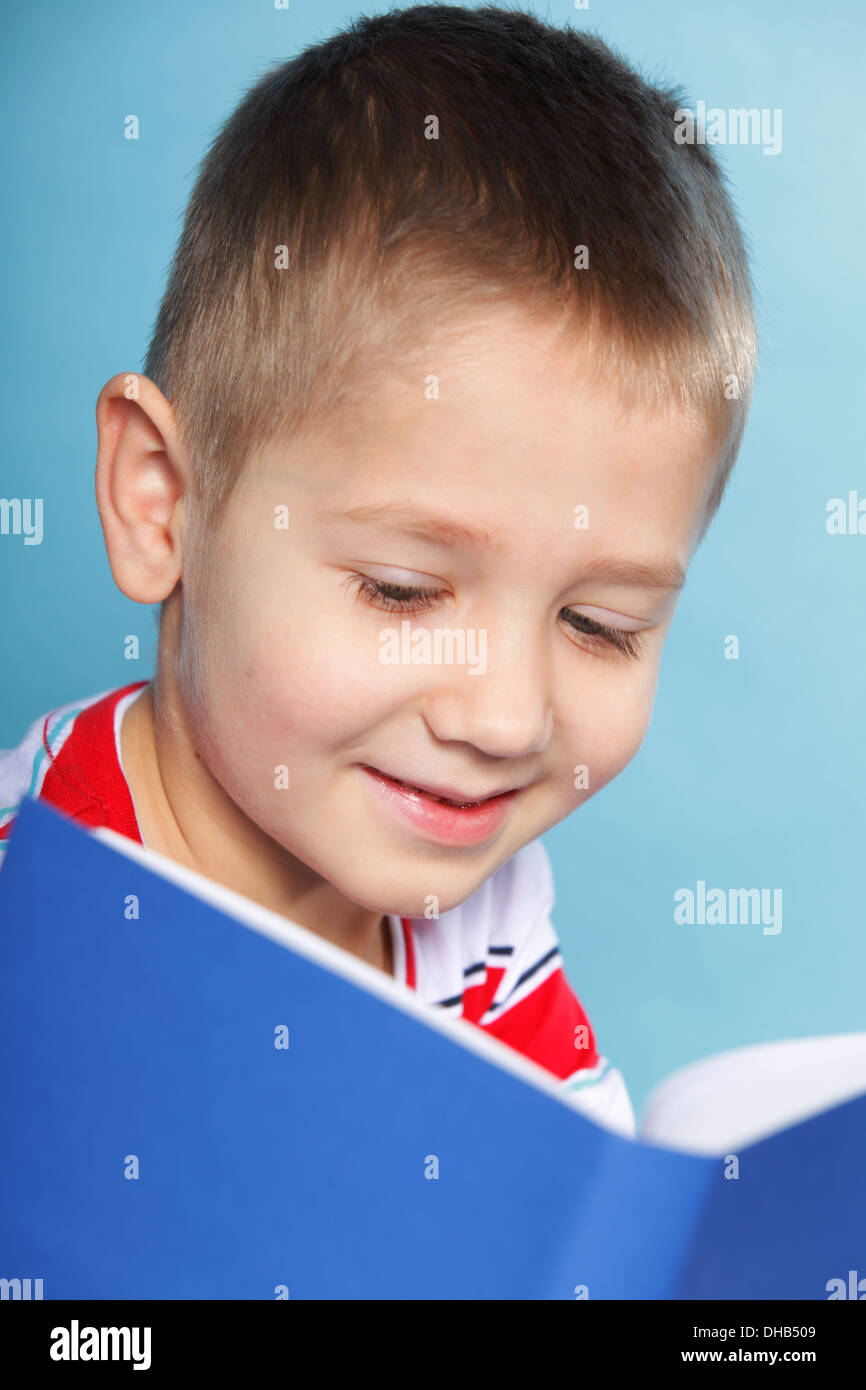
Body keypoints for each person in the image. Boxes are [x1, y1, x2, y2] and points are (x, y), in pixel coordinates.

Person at [0, 5, 757, 1138]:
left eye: (596, 623)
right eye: (402, 591)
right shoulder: (39, 925)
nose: (504, 718)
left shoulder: (484, 915)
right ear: (161, 501)